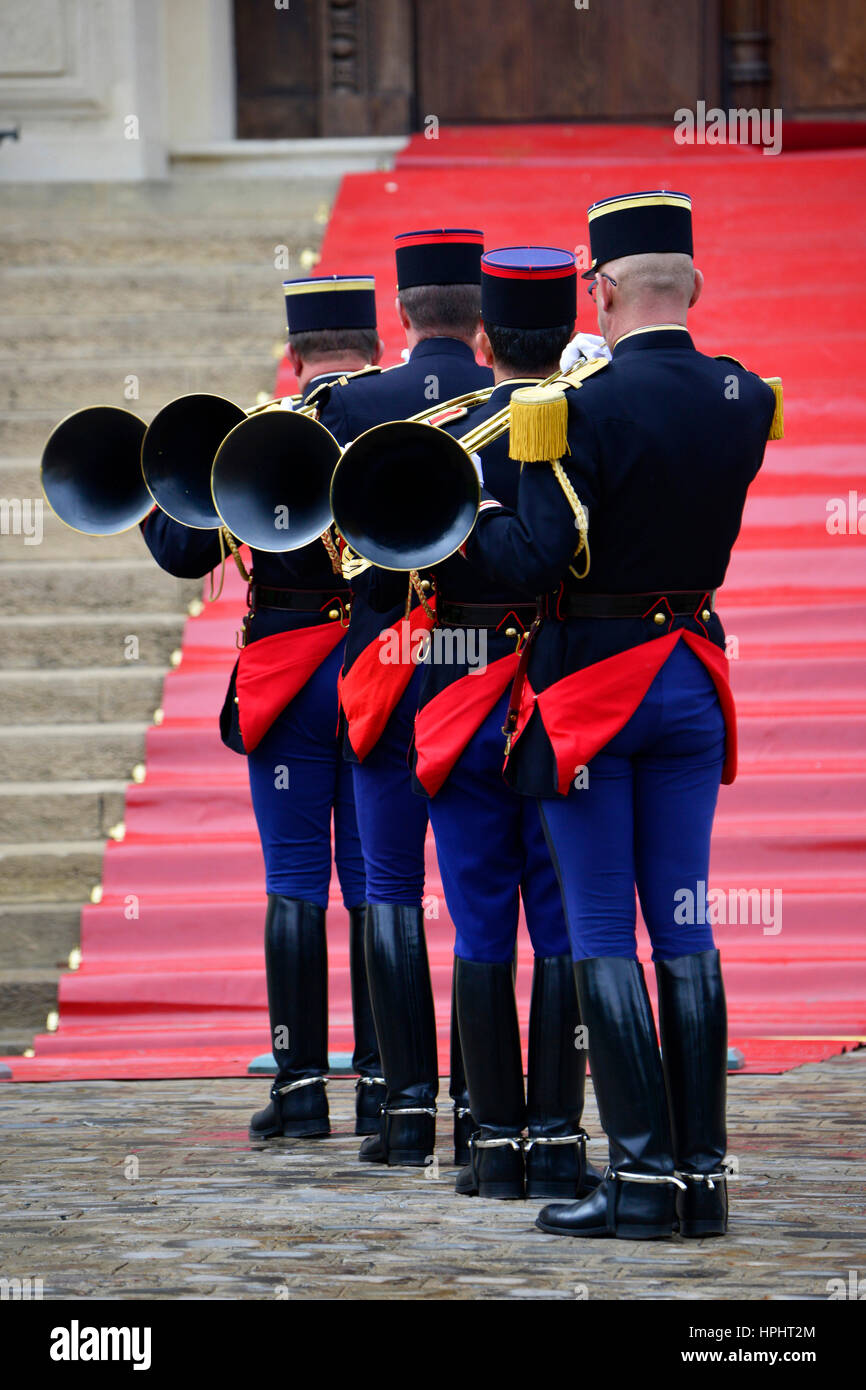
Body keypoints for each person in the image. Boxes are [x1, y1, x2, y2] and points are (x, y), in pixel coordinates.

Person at [464, 191, 779, 1239]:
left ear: (597, 290)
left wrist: (476, 512)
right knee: (683, 922)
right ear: (690, 284)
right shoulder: (742, 394)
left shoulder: (574, 407)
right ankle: (701, 1177)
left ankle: (641, 1182)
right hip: (690, 672)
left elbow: (531, 561)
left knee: (602, 928)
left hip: (596, 687)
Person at [141, 275, 387, 1142]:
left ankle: (300, 1088)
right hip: (374, 674)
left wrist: (163, 464)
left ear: (294, 357)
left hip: (284, 679)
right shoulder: (403, 421)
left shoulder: (253, 437)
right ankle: (385, 1086)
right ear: (376, 350)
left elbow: (177, 544)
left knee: (293, 884)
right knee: (373, 885)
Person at [407, 246, 606, 1200]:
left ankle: (491, 1147)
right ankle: (560, 1139)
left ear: (483, 340)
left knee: (482, 924)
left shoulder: (433, 438)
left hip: (457, 691)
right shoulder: (593, 420)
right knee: (562, 923)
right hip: (564, 699)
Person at [317, 229, 493, 1167]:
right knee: (476, 894)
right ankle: (483, 1111)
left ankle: (401, 1113)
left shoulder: (350, 405)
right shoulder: (519, 402)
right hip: (477, 667)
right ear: (480, 316)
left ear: (401, 313)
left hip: (382, 660)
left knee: (388, 888)